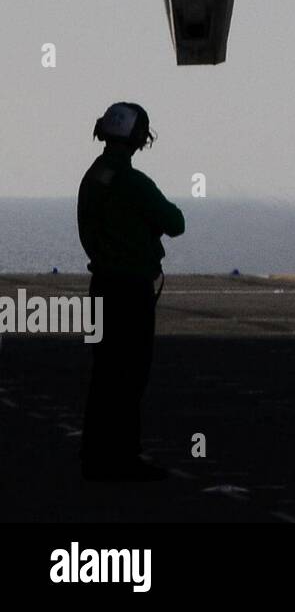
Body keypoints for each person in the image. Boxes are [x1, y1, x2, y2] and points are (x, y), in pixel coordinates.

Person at [77, 102, 185, 481]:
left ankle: (95, 455)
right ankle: (123, 459)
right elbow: (175, 223)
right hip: (129, 293)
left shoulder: (93, 177)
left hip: (101, 287)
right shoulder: (133, 182)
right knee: (130, 376)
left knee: (104, 375)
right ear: (139, 137)